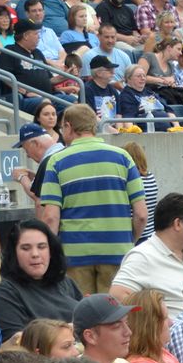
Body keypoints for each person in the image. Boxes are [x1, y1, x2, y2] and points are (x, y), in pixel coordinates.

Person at [40, 104, 146, 295]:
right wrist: (128, 240)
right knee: (115, 315)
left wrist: (49, 252)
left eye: (62, 128)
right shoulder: (123, 158)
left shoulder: (56, 161)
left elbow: (50, 218)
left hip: (74, 254)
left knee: (79, 316)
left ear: (69, 127)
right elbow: (141, 215)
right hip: (117, 251)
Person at [108, 193, 183, 319]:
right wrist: (160, 320)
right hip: (172, 335)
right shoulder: (143, 256)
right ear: (178, 224)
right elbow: (117, 295)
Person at [0, 219, 82, 339]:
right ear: (13, 253)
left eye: (42, 247)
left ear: (51, 250)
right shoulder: (3, 290)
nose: (35, 254)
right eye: (26, 248)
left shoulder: (63, 280)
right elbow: (16, 343)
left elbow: (87, 317)